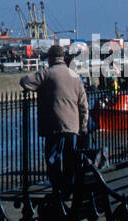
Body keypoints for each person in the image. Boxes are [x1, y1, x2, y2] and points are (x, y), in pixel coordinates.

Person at [19, 44, 89, 190]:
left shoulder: (47, 73)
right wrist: (83, 126)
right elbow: (83, 104)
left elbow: (25, 82)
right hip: (73, 126)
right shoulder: (75, 76)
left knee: (53, 159)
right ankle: (68, 189)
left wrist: (40, 89)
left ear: (51, 58)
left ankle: (57, 189)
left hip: (54, 125)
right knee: (71, 159)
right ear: (63, 58)